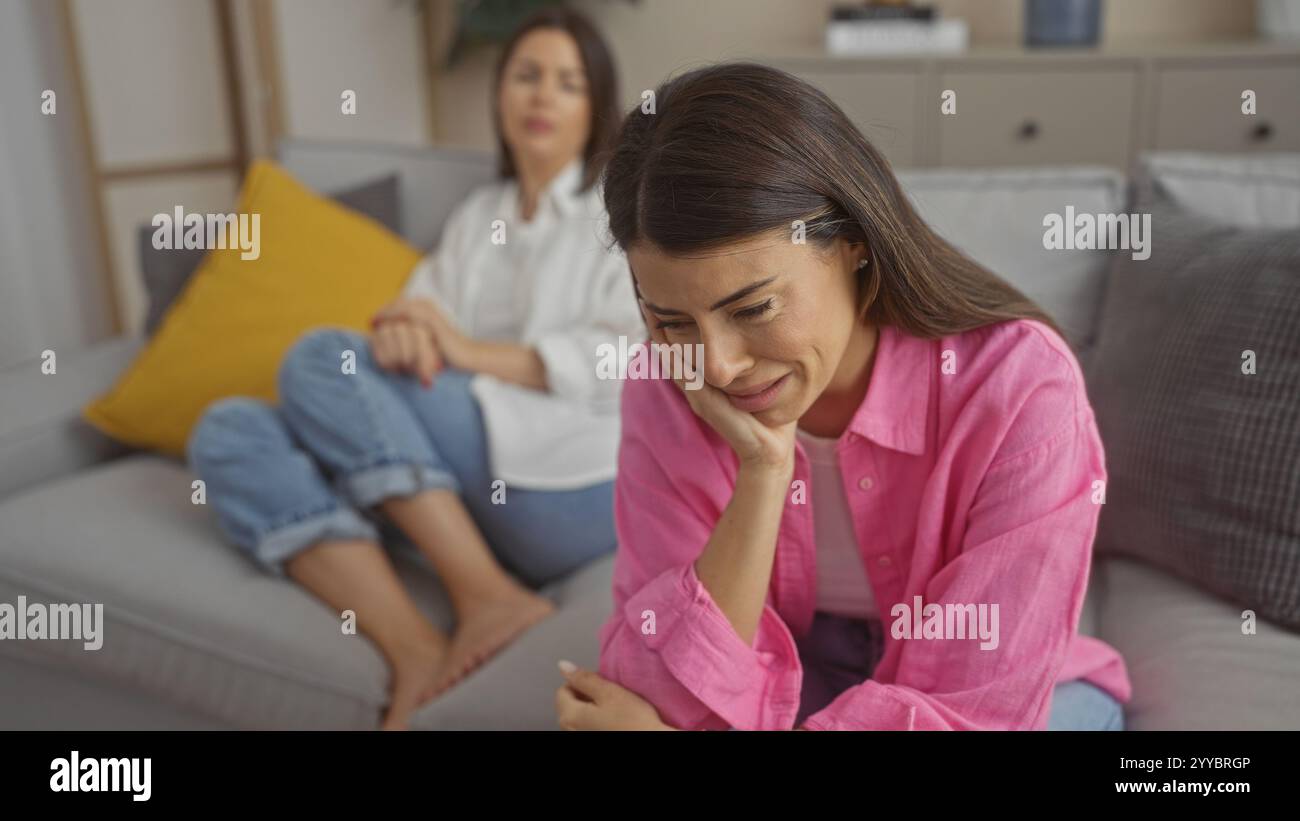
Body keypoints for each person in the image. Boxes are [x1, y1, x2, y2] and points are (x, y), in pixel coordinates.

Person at [554, 63, 1131, 731]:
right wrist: (763, 473)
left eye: (755, 306)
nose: (718, 364)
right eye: (672, 319)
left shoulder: (1020, 386)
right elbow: (654, 691)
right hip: (799, 672)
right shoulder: (665, 383)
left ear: (854, 241)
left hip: (1010, 695)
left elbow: (970, 711)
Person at [189, 8, 641, 730]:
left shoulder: (623, 211)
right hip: (457, 476)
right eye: (526, 76)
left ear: (598, 107)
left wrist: (464, 354)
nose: (541, 96)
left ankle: (488, 594)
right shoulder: (477, 215)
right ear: (499, 95)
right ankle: (417, 648)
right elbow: (415, 314)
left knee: (318, 359)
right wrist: (409, 338)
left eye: (567, 83)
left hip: (570, 483)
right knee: (228, 430)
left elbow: (631, 359)